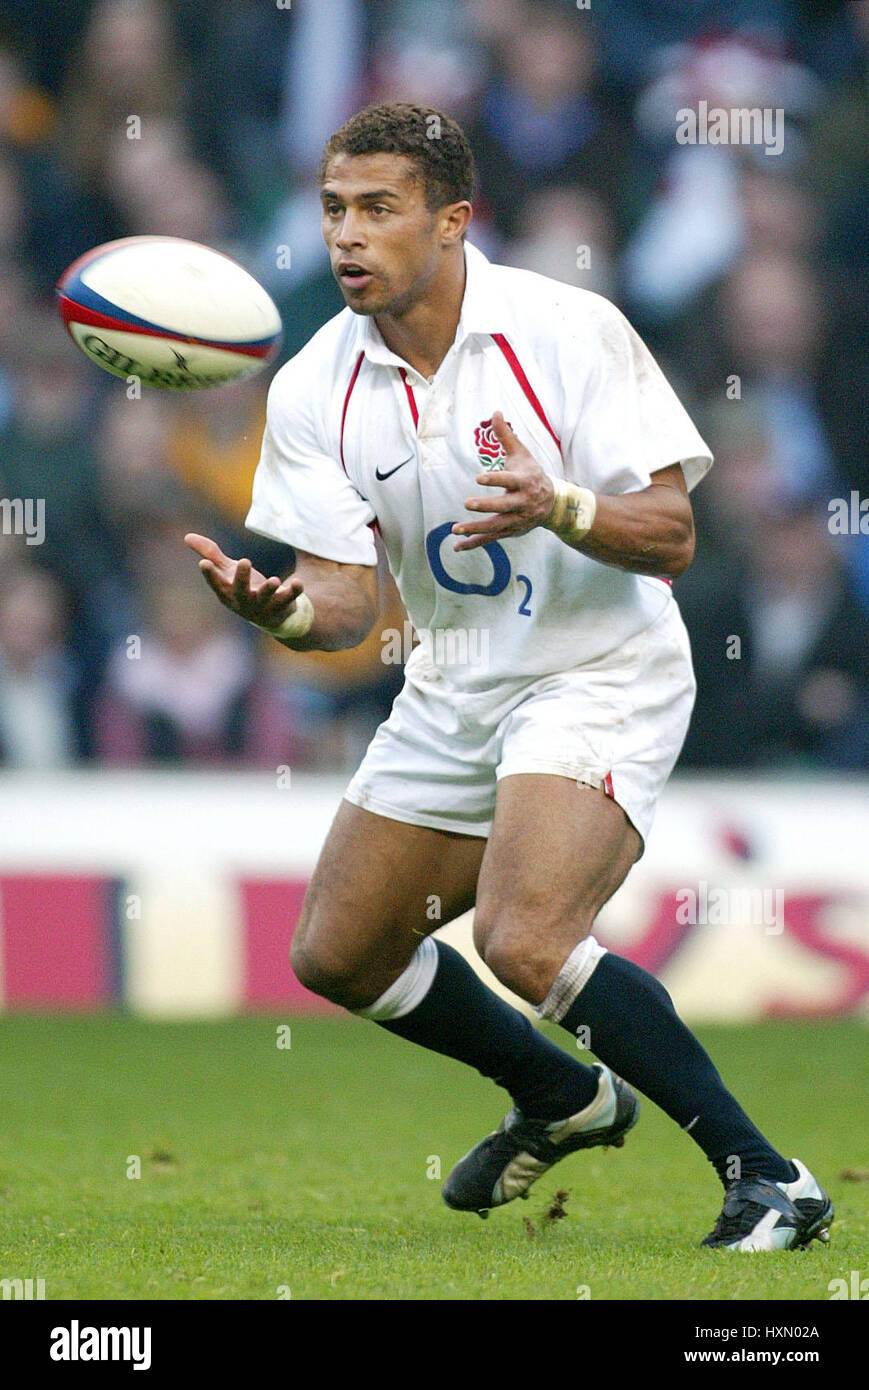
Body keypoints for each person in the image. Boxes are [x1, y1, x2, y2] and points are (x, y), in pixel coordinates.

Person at [186, 103, 832, 1252]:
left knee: (525, 935)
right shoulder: (309, 387)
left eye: (378, 210)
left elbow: (673, 535)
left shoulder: (565, 328)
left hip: (600, 665)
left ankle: (767, 1174)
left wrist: (560, 505)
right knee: (337, 953)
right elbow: (346, 605)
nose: (347, 235)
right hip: (455, 680)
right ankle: (561, 1094)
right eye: (333, 208)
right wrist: (282, 609)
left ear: (450, 223)